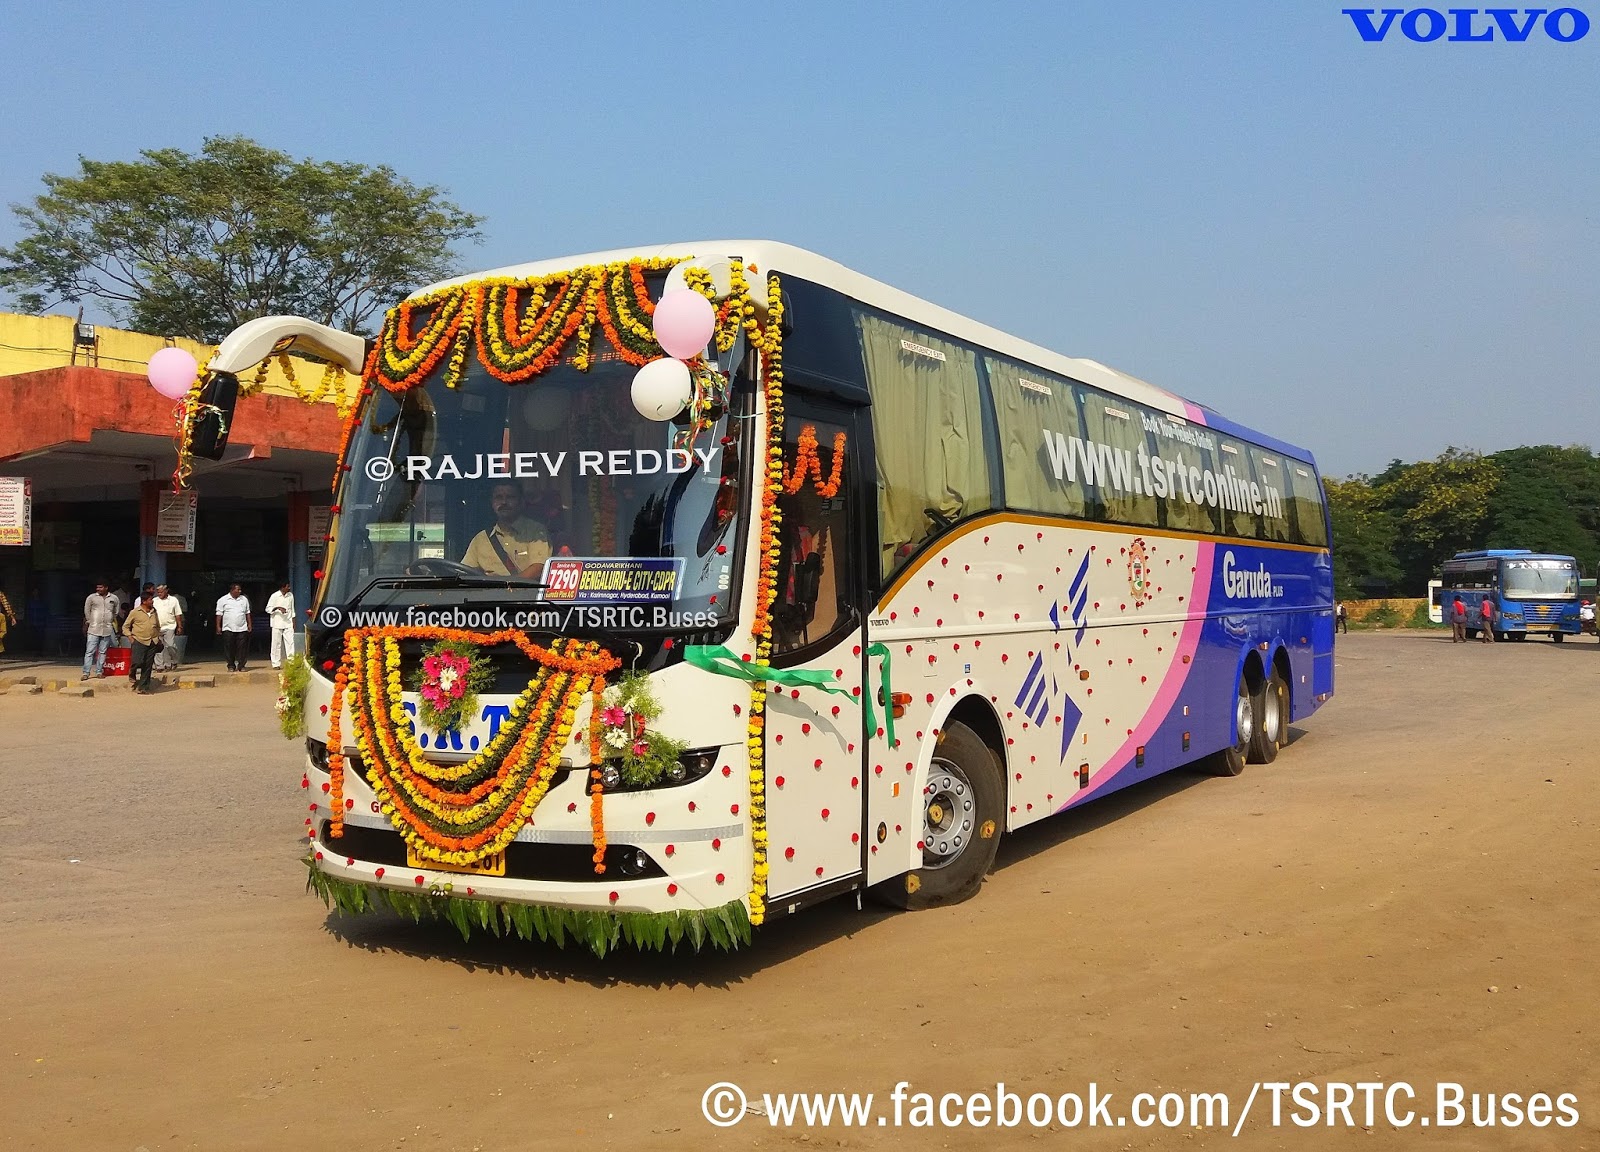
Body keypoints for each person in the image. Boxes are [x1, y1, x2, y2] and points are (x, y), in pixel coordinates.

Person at [461, 482, 552, 577]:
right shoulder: (480, 539)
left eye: (510, 497)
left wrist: (508, 587)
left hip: (526, 590)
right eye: (498, 497)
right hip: (487, 591)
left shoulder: (536, 532)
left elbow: (538, 568)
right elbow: (465, 572)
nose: (504, 502)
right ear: (492, 503)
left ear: (521, 502)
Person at [121, 590, 163, 694]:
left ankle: (143, 687)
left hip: (152, 641)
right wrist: (130, 637)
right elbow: (125, 626)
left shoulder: (154, 611)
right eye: (150, 600)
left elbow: (157, 625)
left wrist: (157, 636)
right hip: (139, 640)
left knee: (148, 665)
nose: (152, 601)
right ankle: (132, 672)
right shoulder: (135, 612)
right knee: (137, 661)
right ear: (144, 601)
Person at [82, 580, 118, 679]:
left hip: (106, 629)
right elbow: (87, 610)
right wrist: (90, 621)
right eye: (97, 587)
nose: (98, 589)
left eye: (100, 587)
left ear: (106, 588)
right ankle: (86, 673)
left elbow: (115, 612)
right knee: (90, 651)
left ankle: (99, 671)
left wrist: (109, 619)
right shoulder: (91, 598)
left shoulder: (114, 598)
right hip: (93, 628)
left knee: (103, 652)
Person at [215, 583, 252, 671]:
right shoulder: (223, 600)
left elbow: (247, 613)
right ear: (232, 590)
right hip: (228, 628)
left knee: (242, 647)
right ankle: (231, 665)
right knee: (229, 647)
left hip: (242, 627)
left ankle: (241, 665)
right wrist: (218, 626)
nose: (240, 591)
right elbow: (219, 614)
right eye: (238, 590)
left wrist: (249, 624)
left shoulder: (244, 599)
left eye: (240, 590)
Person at [151, 584, 184, 672]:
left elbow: (178, 614)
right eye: (158, 592)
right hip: (157, 627)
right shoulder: (154, 601)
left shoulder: (173, 600)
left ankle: (173, 661)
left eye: (161, 592)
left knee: (170, 645)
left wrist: (179, 626)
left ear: (166, 591)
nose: (159, 594)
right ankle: (160, 666)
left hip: (170, 626)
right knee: (158, 647)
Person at [266, 580, 296, 669]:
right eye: (287, 586)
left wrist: (294, 622)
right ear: (282, 587)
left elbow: (292, 610)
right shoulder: (274, 596)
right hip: (277, 623)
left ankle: (291, 662)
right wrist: (278, 608)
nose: (289, 588)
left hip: (288, 622)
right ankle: (276, 664)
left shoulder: (290, 595)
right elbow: (268, 609)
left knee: (290, 643)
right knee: (276, 644)